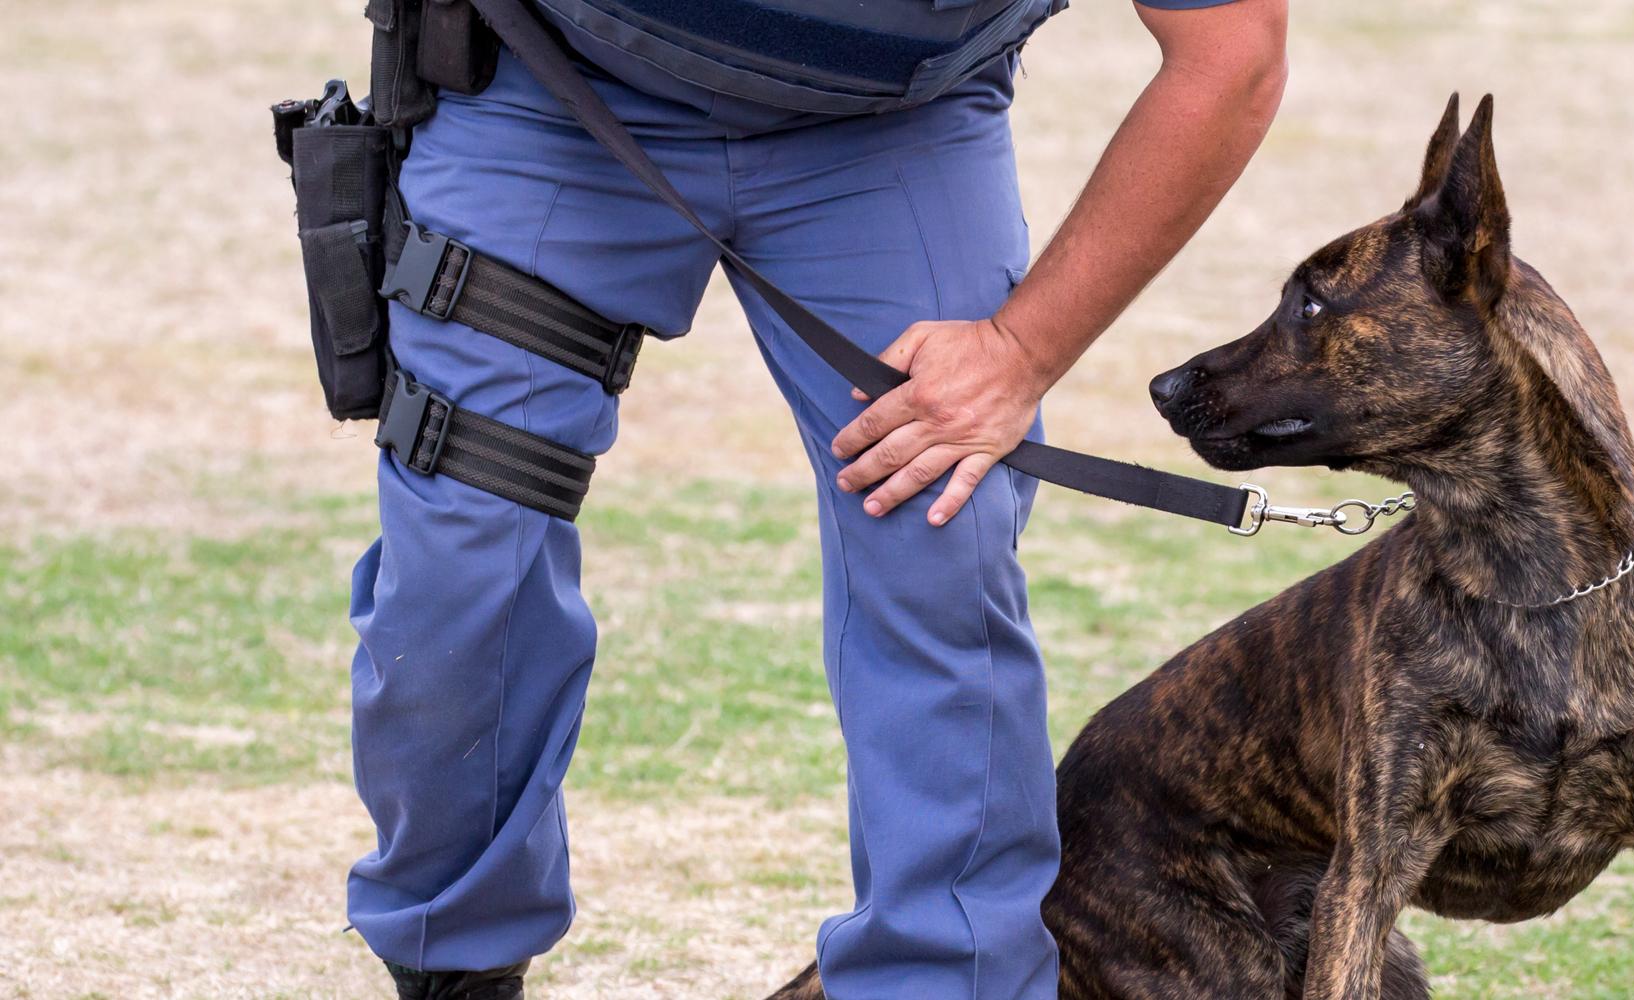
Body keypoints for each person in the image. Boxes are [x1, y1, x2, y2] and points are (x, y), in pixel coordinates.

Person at [345, 0, 1288, 996]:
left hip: (890, 121)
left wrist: (1018, 353)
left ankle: (939, 980)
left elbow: (1229, 59)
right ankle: (456, 960)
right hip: (555, 84)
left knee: (939, 541)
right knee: (464, 557)